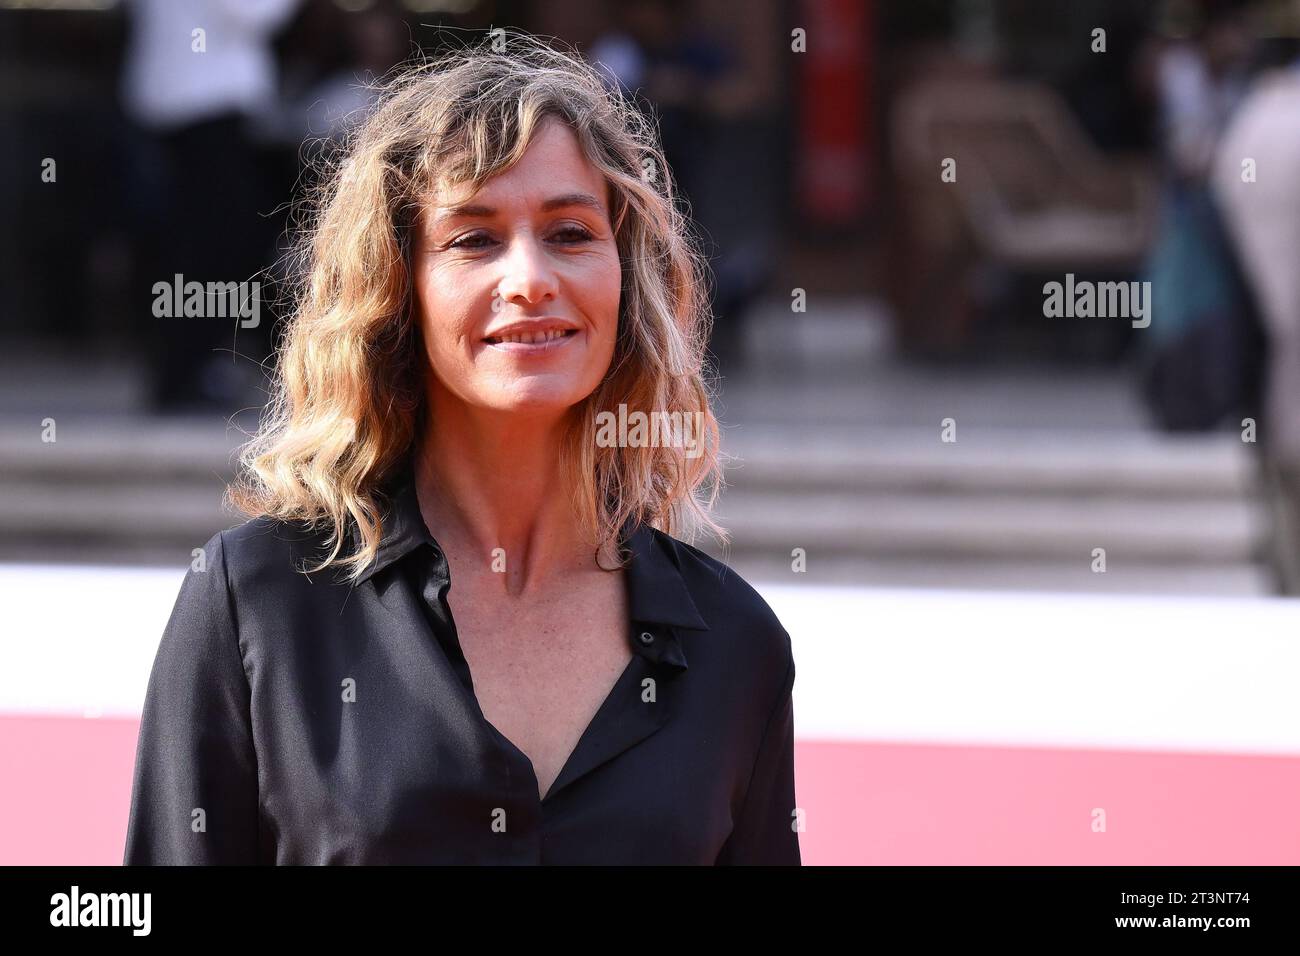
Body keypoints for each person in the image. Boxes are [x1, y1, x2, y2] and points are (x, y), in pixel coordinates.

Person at [122, 33, 800, 865]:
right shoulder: (255, 606)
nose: (529, 278)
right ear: (395, 289)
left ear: (625, 281)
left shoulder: (736, 643)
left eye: (572, 232)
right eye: (473, 240)